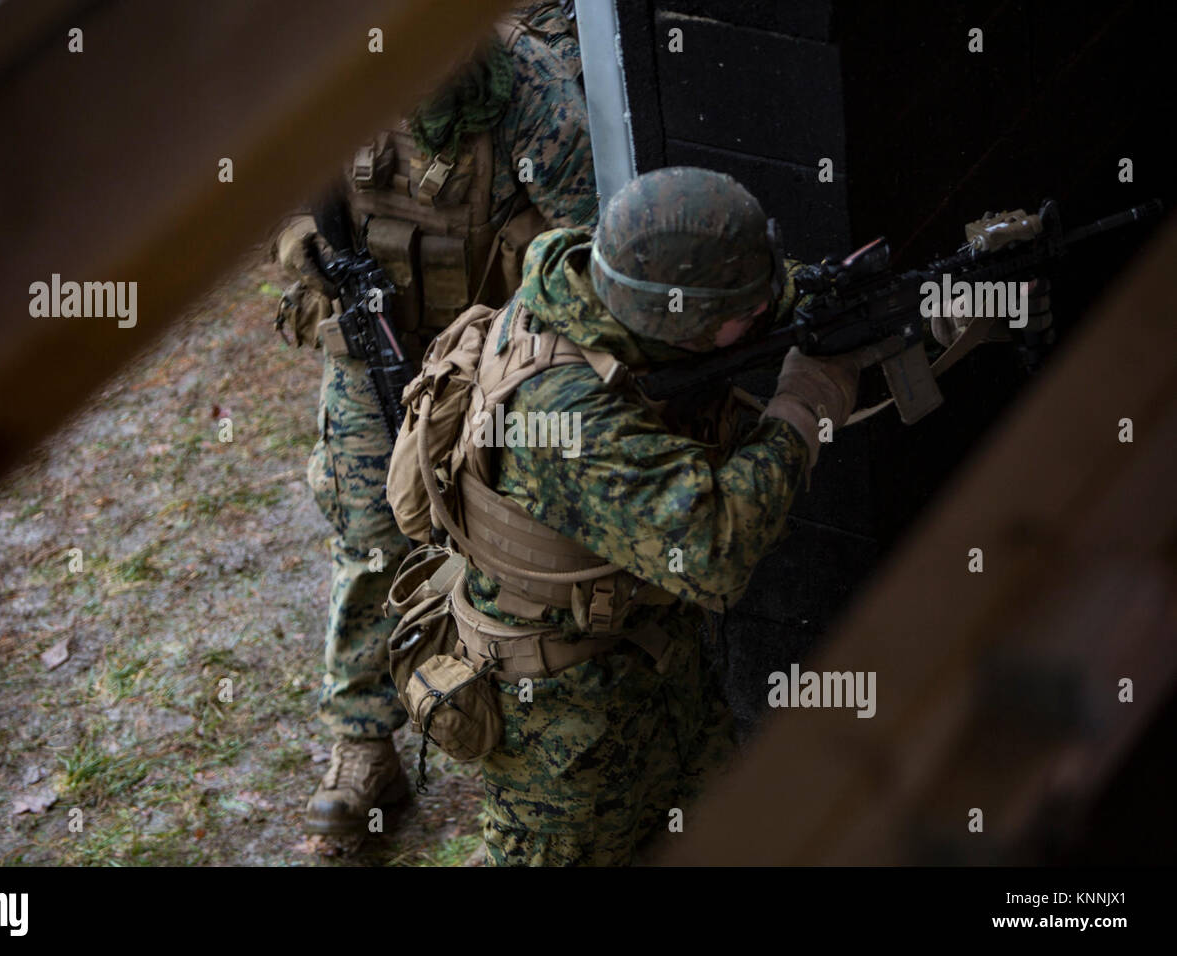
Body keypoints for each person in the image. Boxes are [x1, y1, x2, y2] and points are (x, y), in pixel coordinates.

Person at [389, 165, 878, 865]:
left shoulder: (608, 274)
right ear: (677, 322)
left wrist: (839, 298)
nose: (762, 313)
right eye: (746, 312)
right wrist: (805, 402)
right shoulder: (566, 415)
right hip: (566, 736)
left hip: (653, 667)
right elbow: (716, 550)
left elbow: (753, 295)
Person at [270, 2, 598, 836]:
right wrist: (299, 236)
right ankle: (363, 746)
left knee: (514, 546)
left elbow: (589, 251)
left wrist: (526, 351)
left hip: (496, 363)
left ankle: (523, 736)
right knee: (372, 534)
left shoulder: (533, 94)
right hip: (368, 342)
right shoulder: (327, 81)